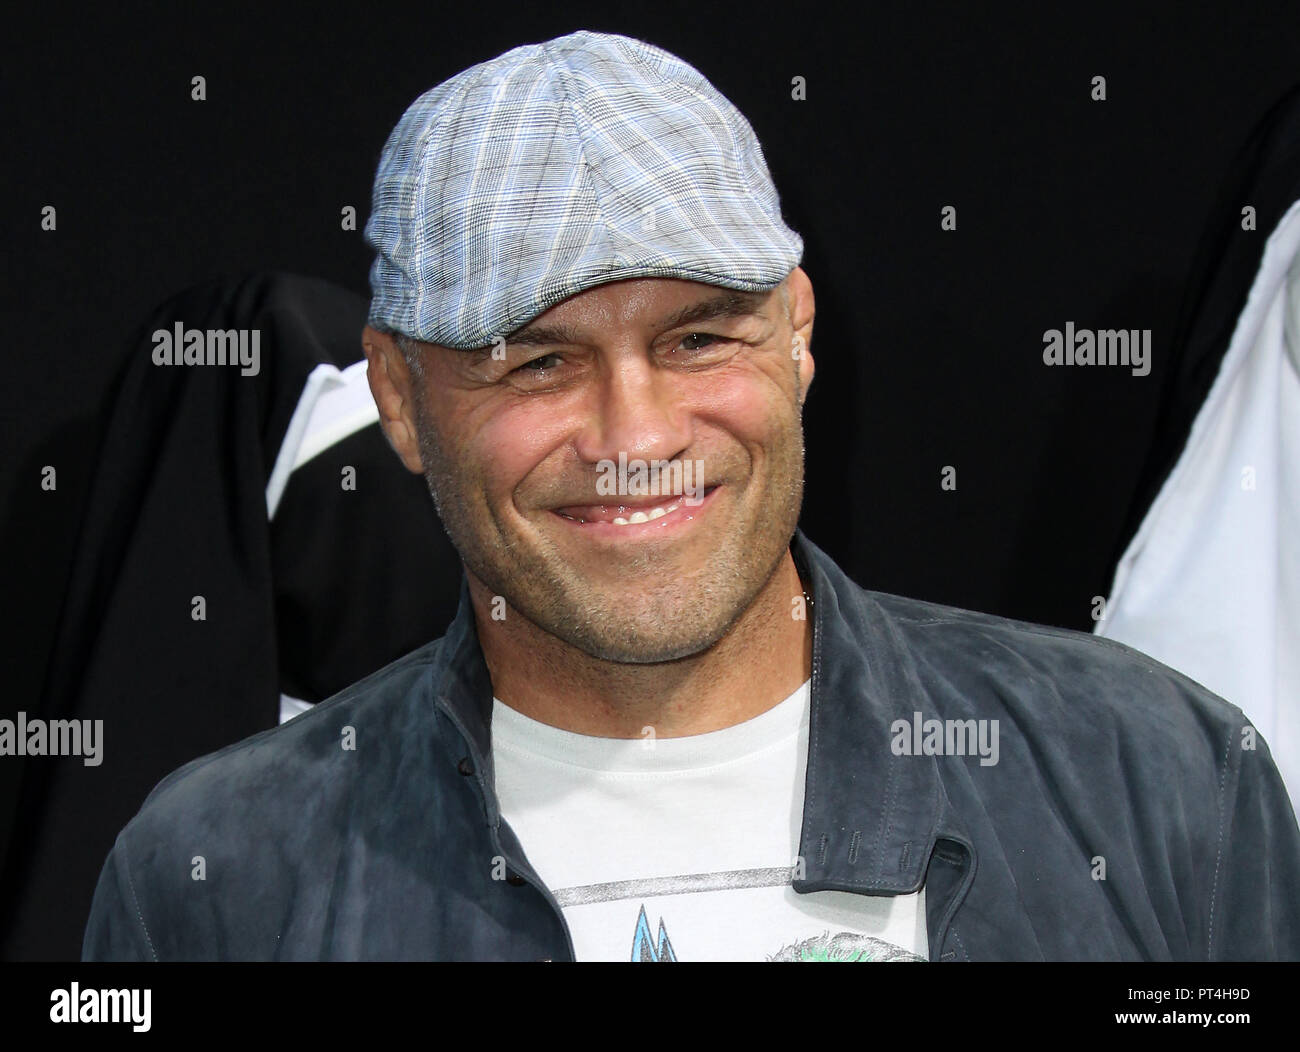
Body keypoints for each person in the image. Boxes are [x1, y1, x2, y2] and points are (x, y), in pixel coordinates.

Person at [82, 29, 1300, 962]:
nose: (636, 434)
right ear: (399, 395)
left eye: (700, 338)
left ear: (798, 336)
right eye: (539, 360)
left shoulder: (1163, 775)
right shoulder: (213, 873)